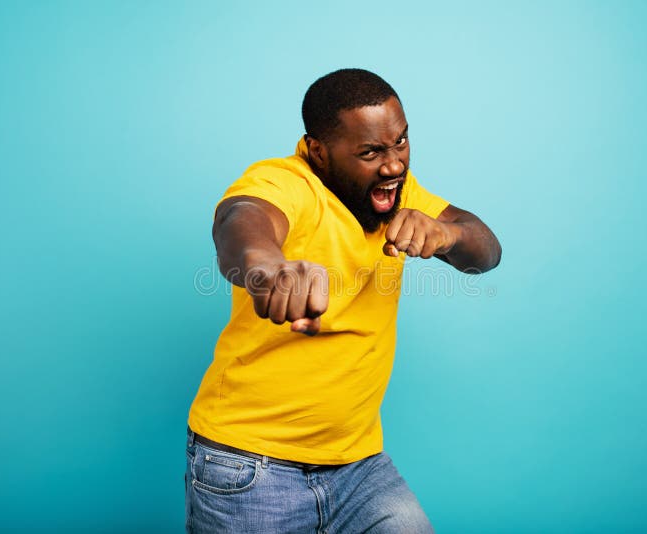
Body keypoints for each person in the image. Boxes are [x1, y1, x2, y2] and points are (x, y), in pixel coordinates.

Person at [185, 68, 501, 533]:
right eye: (371, 152)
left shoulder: (398, 192)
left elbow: (485, 251)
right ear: (319, 151)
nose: (394, 165)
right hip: (249, 466)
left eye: (401, 142)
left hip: (358, 465)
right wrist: (267, 268)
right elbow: (240, 220)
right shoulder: (285, 181)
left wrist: (446, 233)